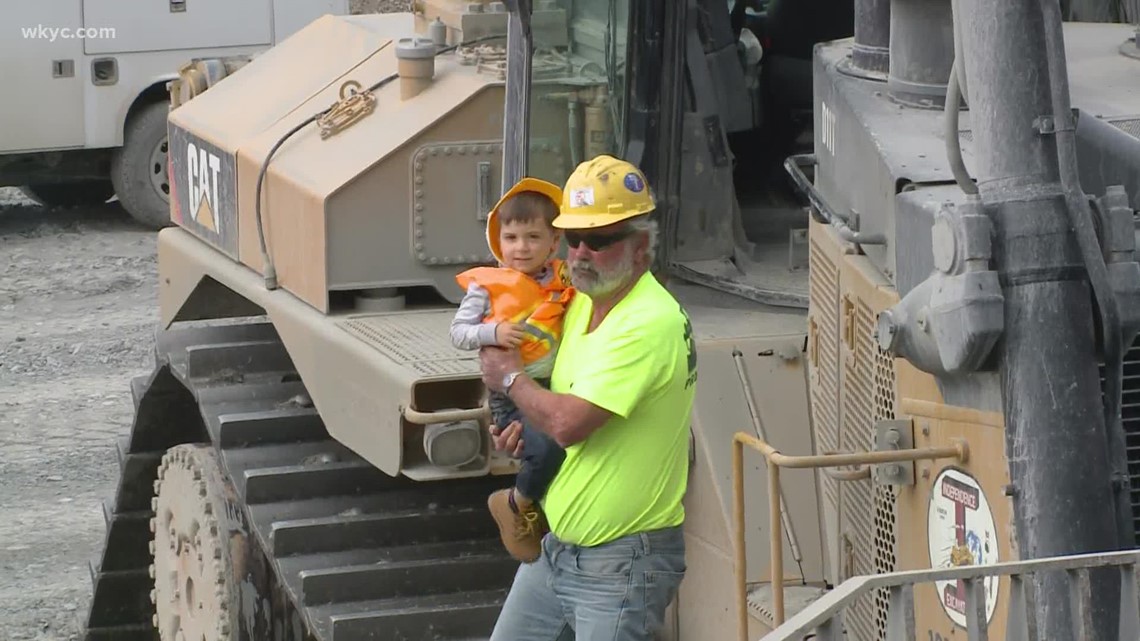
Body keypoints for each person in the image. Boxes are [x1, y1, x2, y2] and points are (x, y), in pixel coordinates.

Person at [478, 155, 699, 640]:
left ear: (641, 246)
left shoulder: (646, 323)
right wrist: (522, 425)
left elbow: (568, 423)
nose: (579, 253)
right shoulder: (580, 301)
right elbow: (552, 401)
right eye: (572, 238)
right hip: (559, 546)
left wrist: (512, 380)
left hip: (620, 562)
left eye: (598, 240)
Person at [449, 177, 574, 563]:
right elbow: (459, 333)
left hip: (550, 383)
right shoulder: (487, 287)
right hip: (510, 391)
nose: (522, 248)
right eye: (512, 238)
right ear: (498, 242)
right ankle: (516, 504)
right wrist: (495, 331)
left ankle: (542, 510)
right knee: (546, 447)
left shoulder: (562, 278)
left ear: (554, 242)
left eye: (534, 237)